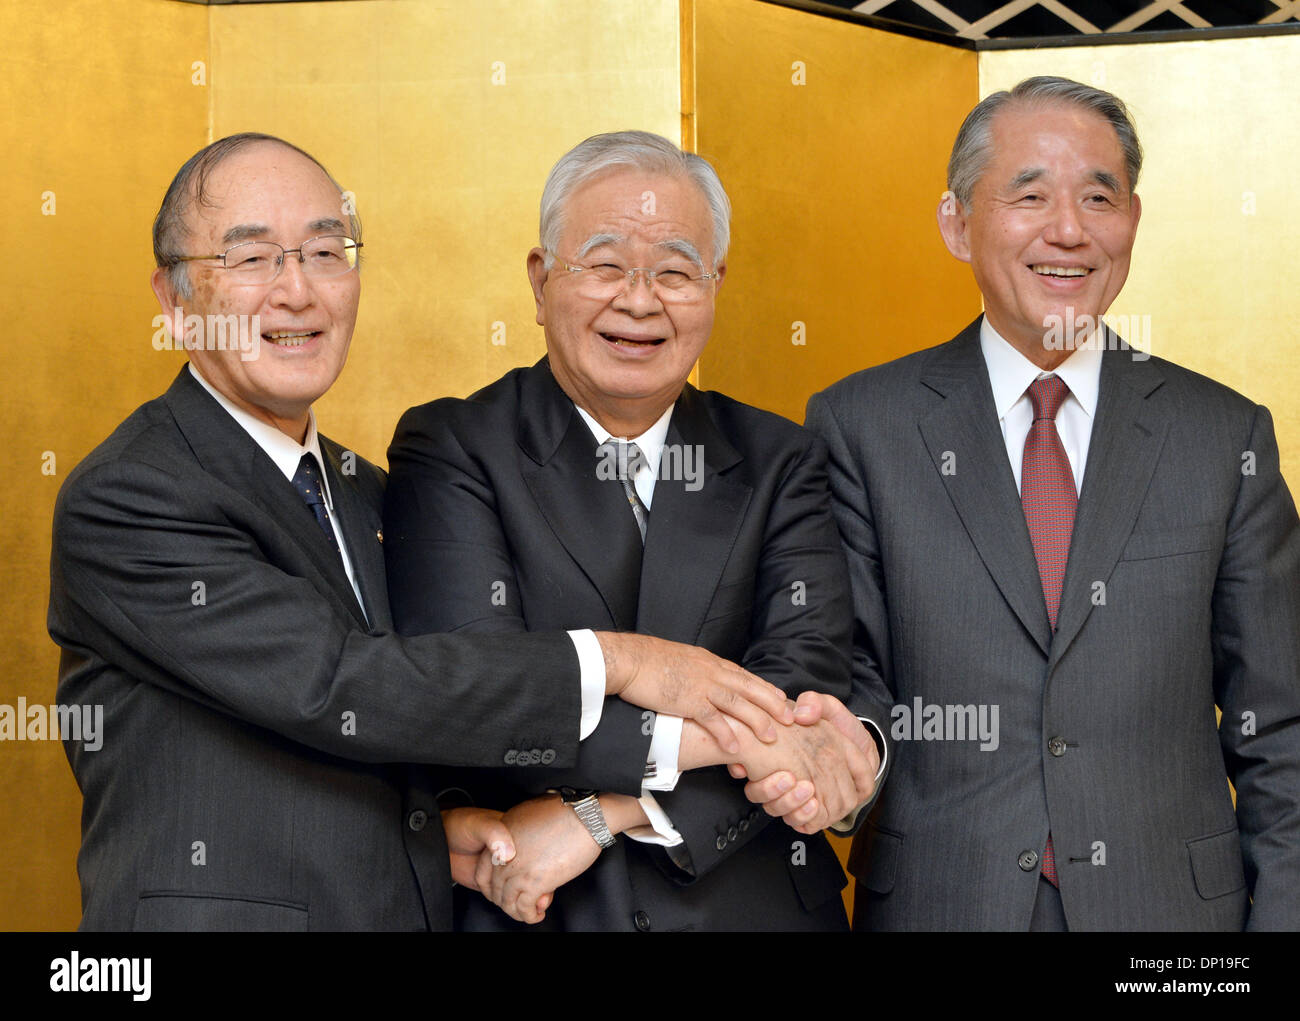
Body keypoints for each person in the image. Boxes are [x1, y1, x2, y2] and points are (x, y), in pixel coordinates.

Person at [47, 132, 801, 931]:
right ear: (173, 299)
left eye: (326, 250)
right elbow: (340, 685)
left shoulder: (363, 490)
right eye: (252, 258)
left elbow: (412, 713)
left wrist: (434, 829)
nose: (297, 290)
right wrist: (621, 659)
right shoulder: (131, 493)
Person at [801, 76, 1300, 930]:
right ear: (956, 223)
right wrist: (836, 757)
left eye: (1098, 198)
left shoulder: (1222, 434)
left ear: (1133, 220)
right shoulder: (860, 425)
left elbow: (1282, 727)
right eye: (1029, 195)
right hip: (943, 903)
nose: (1068, 230)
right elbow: (855, 680)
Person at [384, 131, 882, 931]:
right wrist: (699, 739)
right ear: (541, 280)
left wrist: (604, 812)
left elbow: (795, 700)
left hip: (751, 904)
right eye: (606, 265)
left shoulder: (780, 459)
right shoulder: (454, 447)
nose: (641, 300)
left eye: (677, 270)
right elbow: (481, 696)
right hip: (537, 910)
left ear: (716, 284)